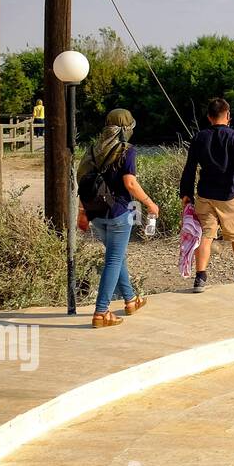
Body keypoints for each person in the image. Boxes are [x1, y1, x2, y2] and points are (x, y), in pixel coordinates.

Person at [76, 109, 158, 328]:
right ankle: (101, 312)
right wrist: (150, 204)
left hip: (96, 213)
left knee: (117, 256)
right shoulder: (126, 151)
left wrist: (82, 212)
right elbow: (130, 183)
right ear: (126, 128)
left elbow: (82, 180)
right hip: (119, 213)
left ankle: (130, 300)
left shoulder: (93, 150)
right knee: (113, 260)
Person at [179, 97, 234, 290]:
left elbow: (190, 167)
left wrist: (186, 192)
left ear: (209, 117)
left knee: (205, 235)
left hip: (205, 195)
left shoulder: (199, 137)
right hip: (230, 195)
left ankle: (200, 278)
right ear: (228, 115)